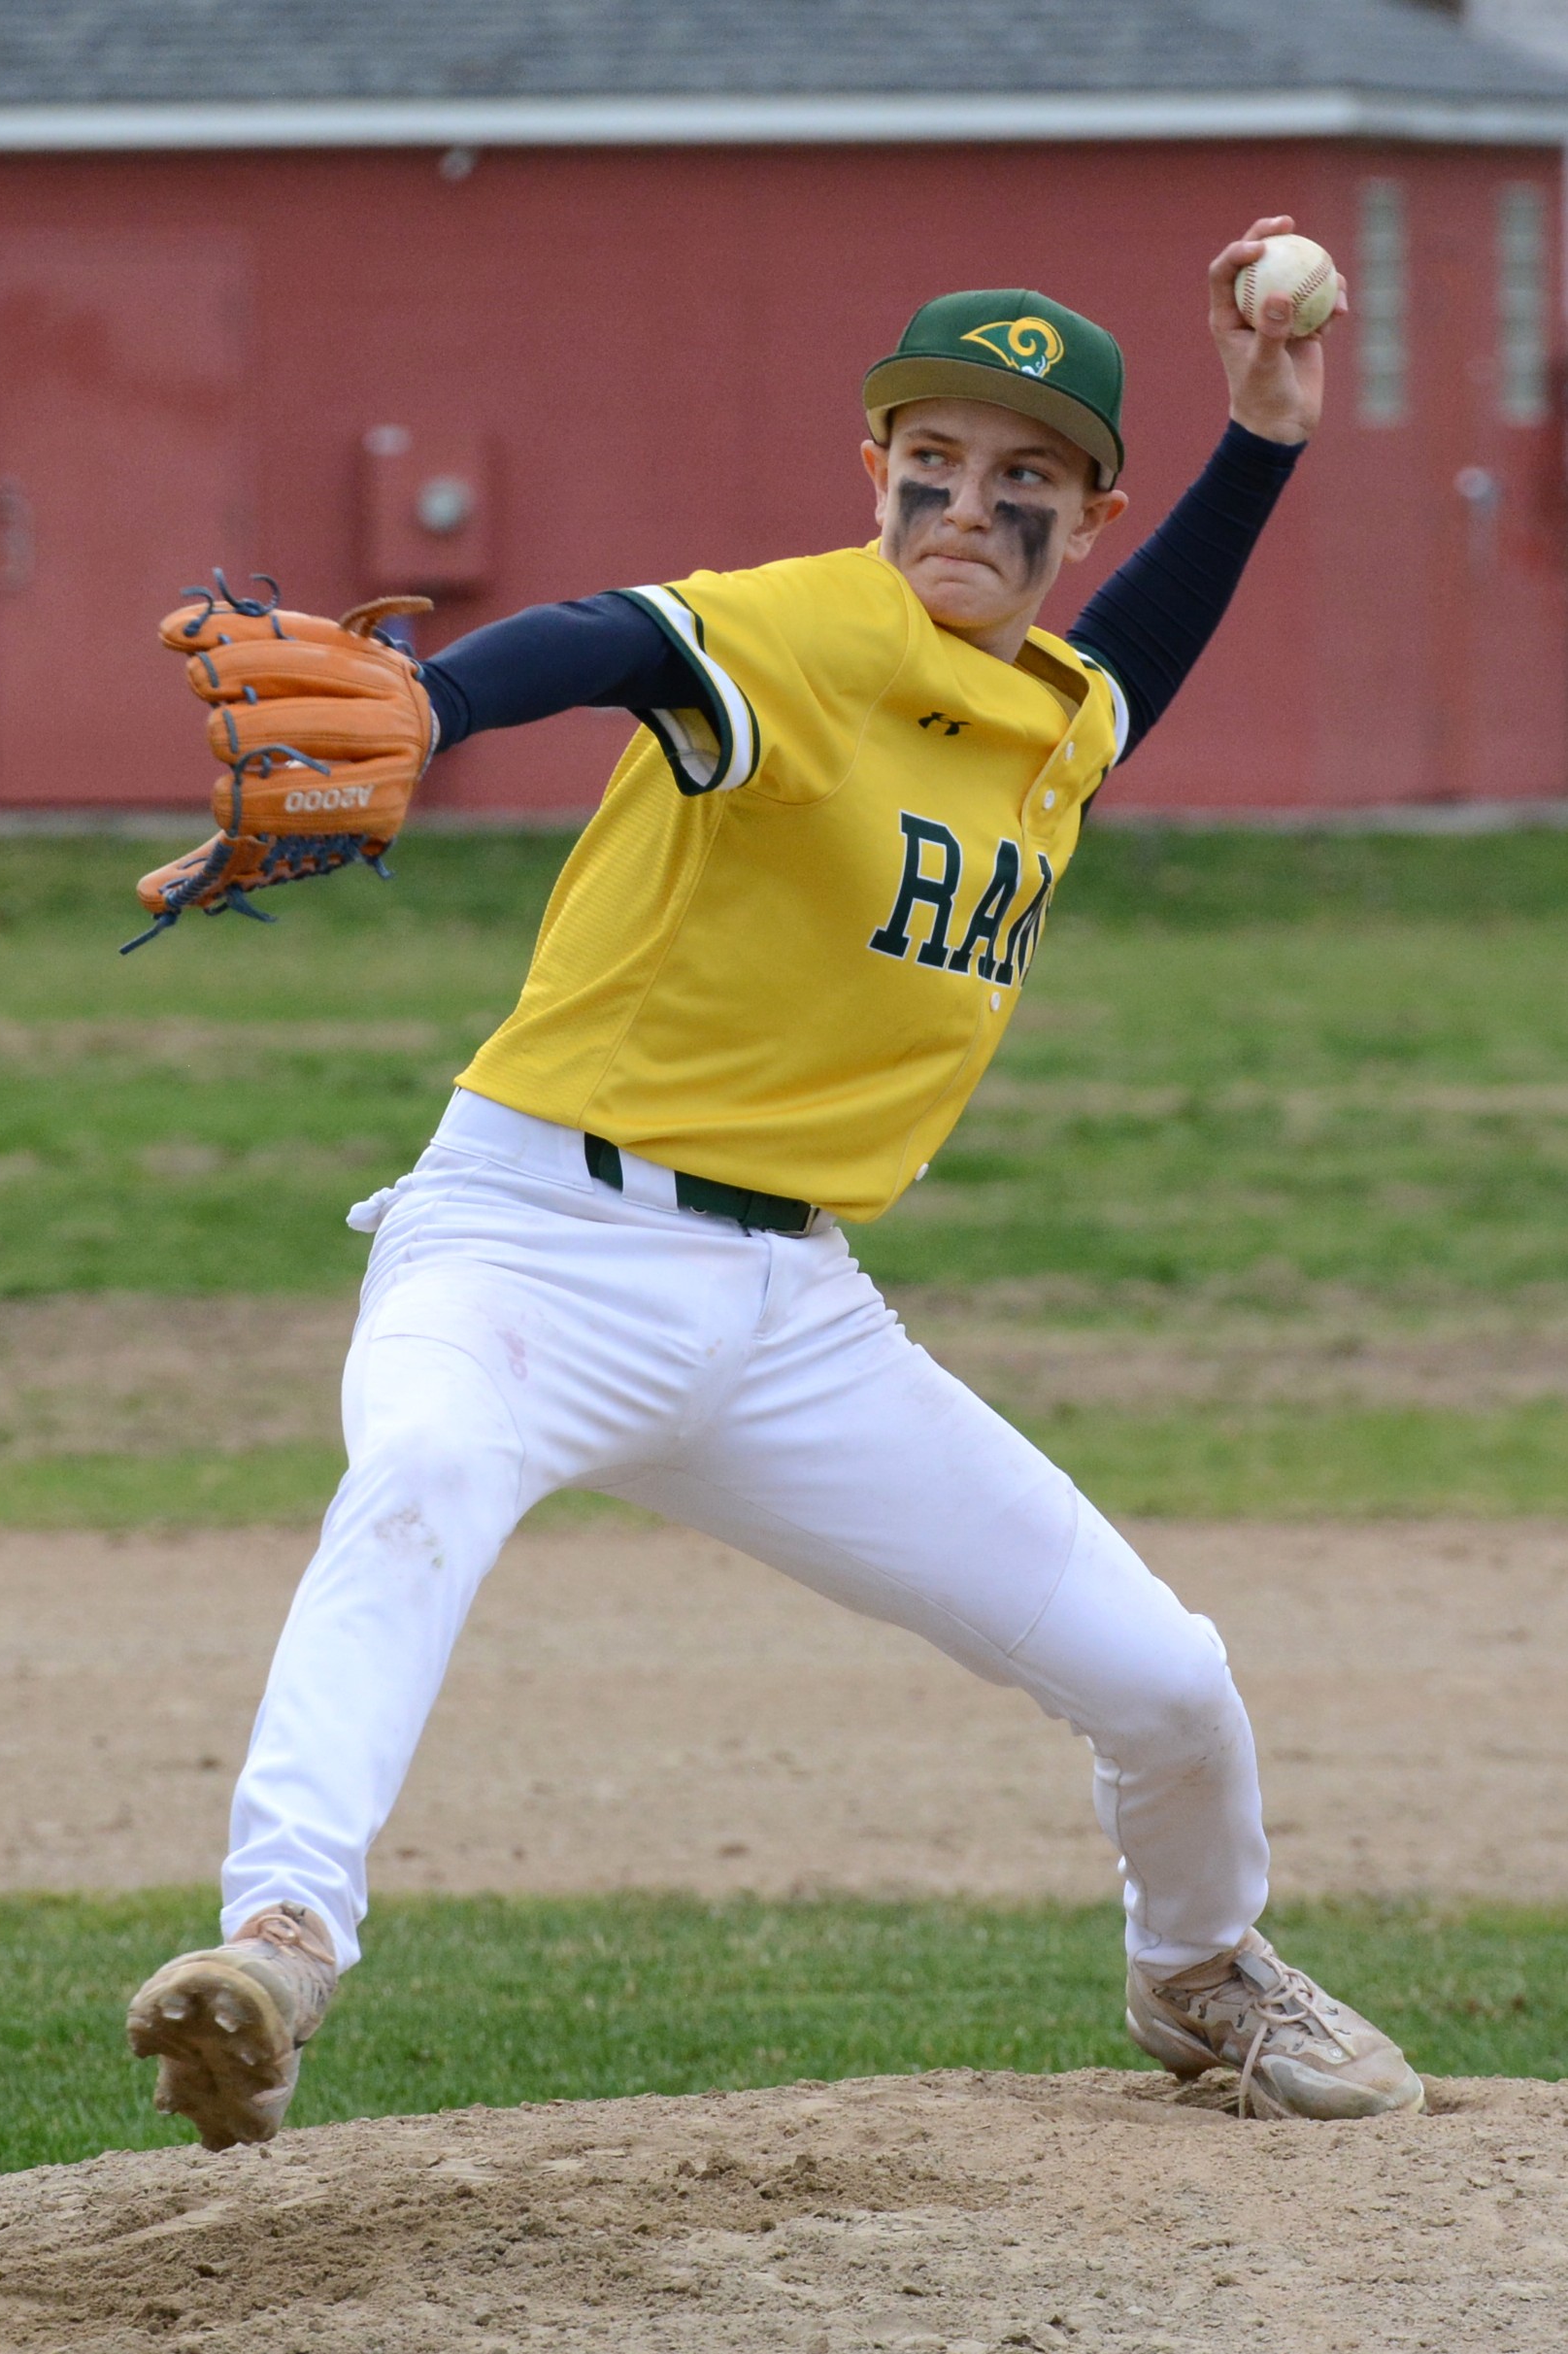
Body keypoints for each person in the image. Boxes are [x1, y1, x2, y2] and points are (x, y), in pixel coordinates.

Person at [127, 218, 1423, 2143]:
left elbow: (1137, 656)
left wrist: (1267, 436)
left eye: (1027, 480)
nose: (968, 502)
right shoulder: (803, 628)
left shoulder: (1047, 718)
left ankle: (1202, 1966)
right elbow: (618, 639)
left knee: (1165, 1676)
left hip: (793, 1316)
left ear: (1083, 519)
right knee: (417, 1482)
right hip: (526, 1245)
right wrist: (446, 706)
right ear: (875, 467)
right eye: (937, 458)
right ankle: (281, 1946)